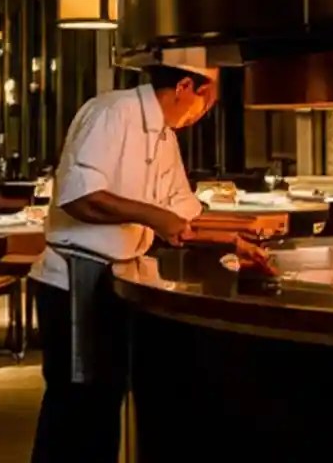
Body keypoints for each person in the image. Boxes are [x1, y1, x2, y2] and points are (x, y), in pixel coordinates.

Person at [29, 64, 262, 462]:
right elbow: (80, 197)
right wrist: (153, 217)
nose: (204, 113)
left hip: (118, 280)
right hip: (74, 278)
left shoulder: (165, 138)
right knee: (75, 407)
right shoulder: (112, 113)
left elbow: (180, 214)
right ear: (185, 86)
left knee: (106, 402)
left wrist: (230, 241)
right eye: (206, 101)